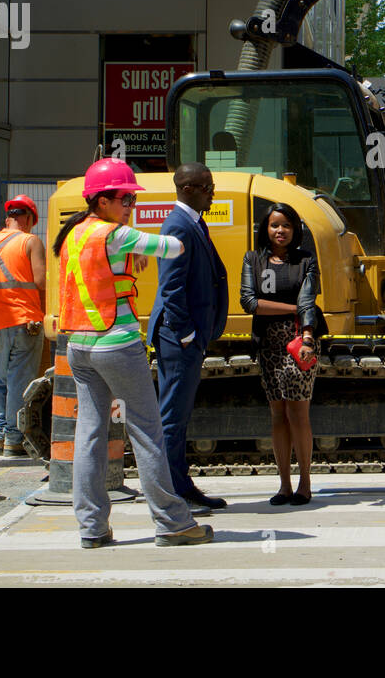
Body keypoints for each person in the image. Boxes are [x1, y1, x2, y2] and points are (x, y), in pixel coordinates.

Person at [55, 157, 213, 547]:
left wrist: (131, 248)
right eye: (126, 199)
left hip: (79, 346)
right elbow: (173, 246)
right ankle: (173, 522)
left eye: (131, 200)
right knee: (147, 432)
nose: (130, 206)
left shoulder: (73, 234)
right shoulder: (114, 234)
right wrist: (139, 242)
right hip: (117, 344)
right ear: (102, 200)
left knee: (90, 434)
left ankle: (92, 528)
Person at [149, 163, 228, 509]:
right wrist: (186, 334)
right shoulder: (179, 227)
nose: (213, 192)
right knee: (173, 417)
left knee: (178, 416)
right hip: (178, 338)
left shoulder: (192, 222)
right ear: (192, 188)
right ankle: (174, 491)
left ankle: (179, 485)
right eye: (209, 186)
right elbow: (172, 287)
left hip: (185, 336)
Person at [240, 203, 322, 506]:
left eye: (286, 225)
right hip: (268, 345)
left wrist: (309, 335)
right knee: (277, 414)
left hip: (300, 342)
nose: (280, 230)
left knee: (298, 413)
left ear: (294, 229)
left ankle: (305, 484)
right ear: (266, 229)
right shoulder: (253, 260)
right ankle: (284, 485)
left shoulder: (305, 260)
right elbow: (249, 302)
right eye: (275, 225)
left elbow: (308, 298)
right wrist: (293, 309)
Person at [0, 195, 47, 457]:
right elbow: (41, 281)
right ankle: (14, 439)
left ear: (9, 217)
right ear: (29, 218)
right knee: (20, 380)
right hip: (25, 320)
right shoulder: (31, 241)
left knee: (0, 380)